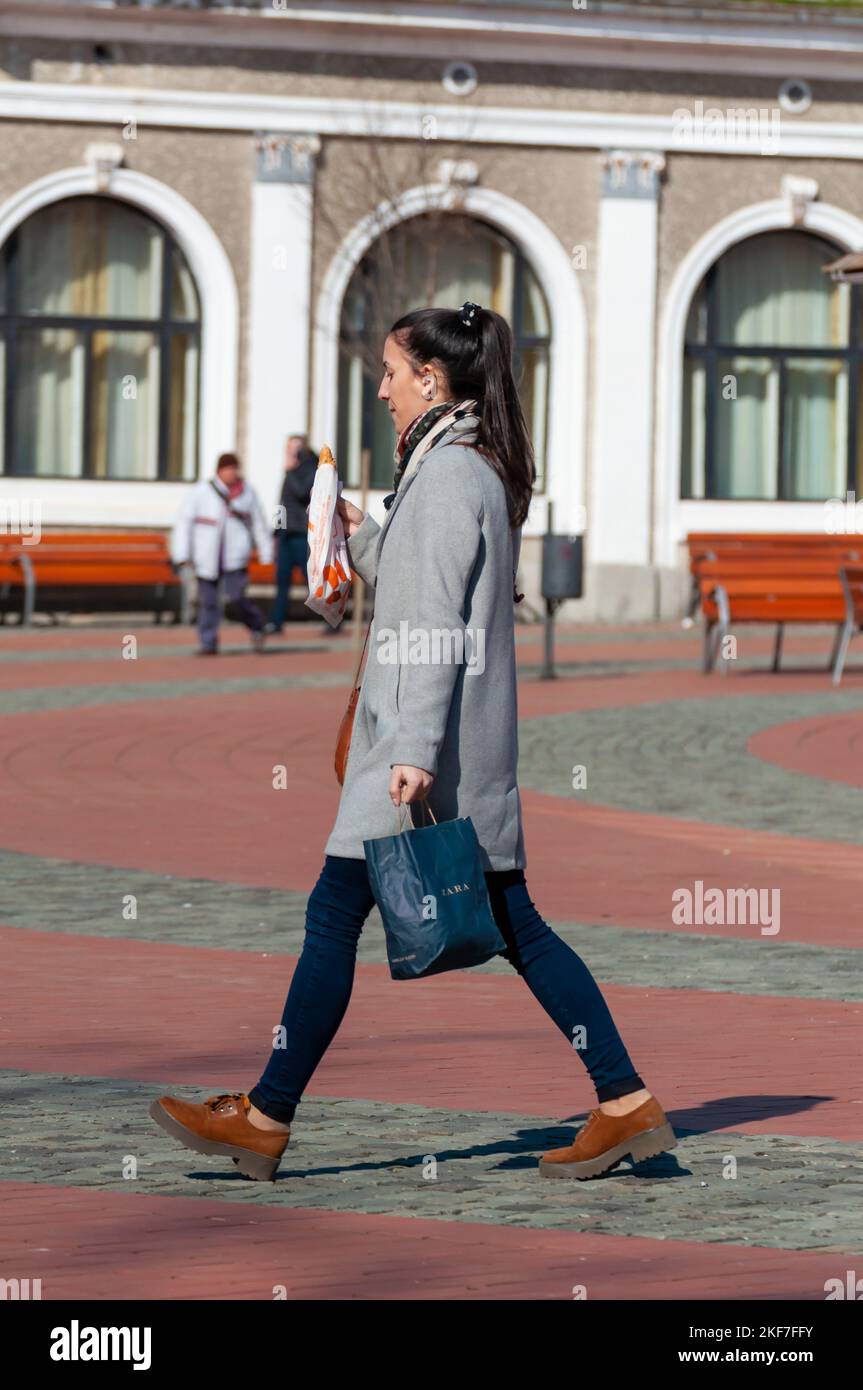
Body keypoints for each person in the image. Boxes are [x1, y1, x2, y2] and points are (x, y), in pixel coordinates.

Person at [151, 302, 677, 1182]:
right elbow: (421, 578)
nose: (384, 391)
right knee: (517, 926)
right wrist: (353, 527)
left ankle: (267, 1116)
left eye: (392, 373)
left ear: (433, 379)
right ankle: (624, 1102)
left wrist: (410, 752)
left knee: (332, 916)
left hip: (417, 755)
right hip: (453, 757)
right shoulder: (465, 469)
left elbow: (432, 622)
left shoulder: (443, 480)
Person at [170, 452, 273, 655]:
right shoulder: (201, 492)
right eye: (228, 468)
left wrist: (266, 551)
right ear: (219, 470)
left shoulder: (247, 493)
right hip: (206, 556)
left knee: (236, 598)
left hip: (235, 557)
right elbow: (184, 523)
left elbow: (259, 523)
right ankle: (208, 643)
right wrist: (182, 554)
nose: (232, 473)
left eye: (235, 468)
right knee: (207, 602)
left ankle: (257, 624)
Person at [265, 433, 317, 635]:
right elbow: (283, 501)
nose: (287, 454)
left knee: (310, 580)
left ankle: (331, 619)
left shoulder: (310, 468)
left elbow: (301, 492)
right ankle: (276, 622)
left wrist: (290, 472)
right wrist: (277, 531)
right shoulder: (291, 471)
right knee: (282, 580)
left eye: (291, 450)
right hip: (286, 534)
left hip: (301, 534)